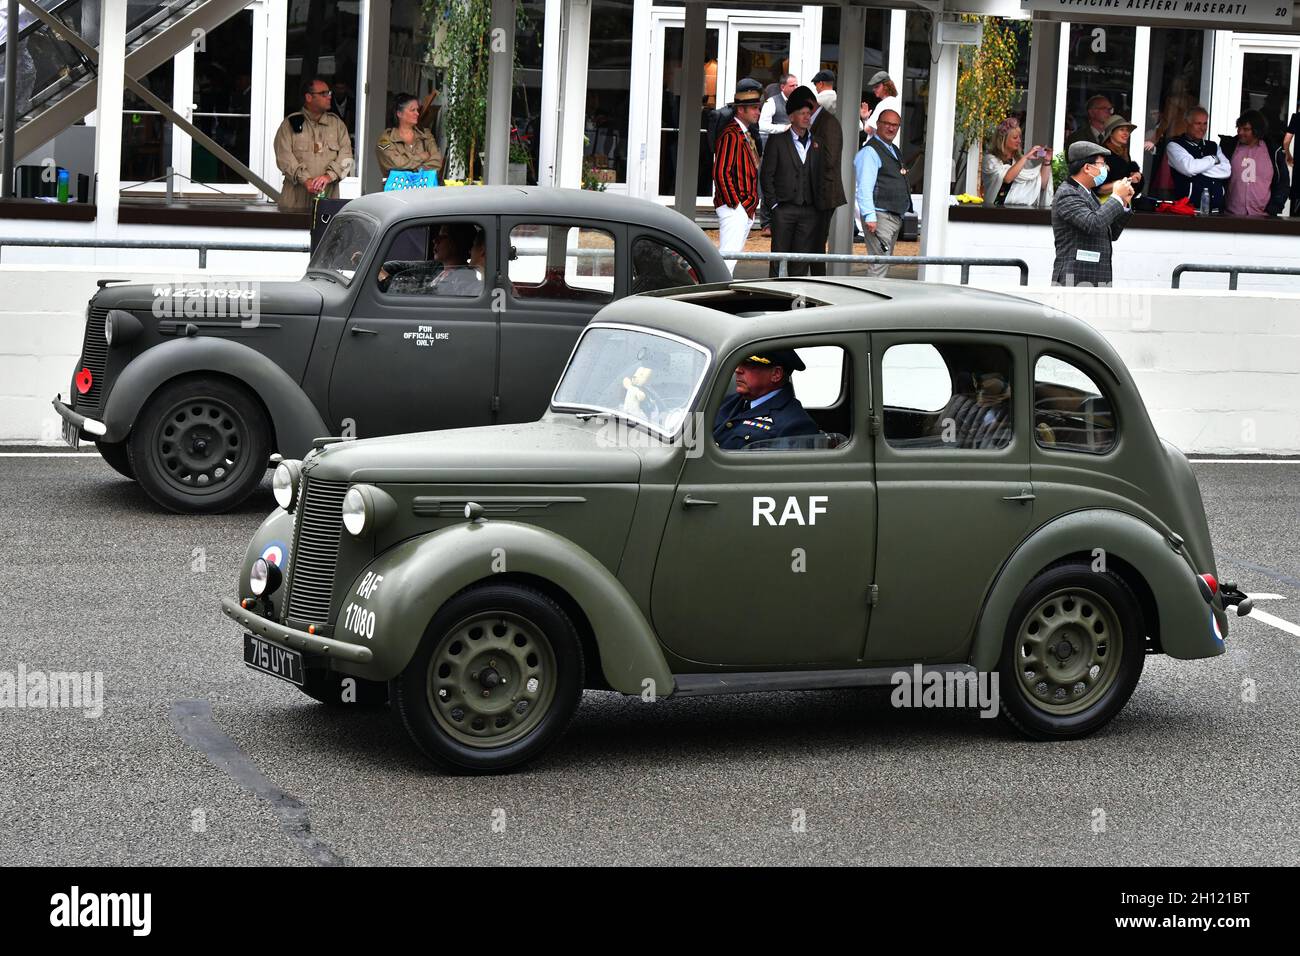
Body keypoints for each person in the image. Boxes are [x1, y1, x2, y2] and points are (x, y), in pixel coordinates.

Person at [1051, 142, 1135, 287]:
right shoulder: (1068, 193)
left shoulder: (1087, 192)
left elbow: (1110, 232)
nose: (1106, 169)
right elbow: (1093, 224)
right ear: (1087, 168)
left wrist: (1123, 202)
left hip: (1096, 277)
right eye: (1101, 164)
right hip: (1075, 277)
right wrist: (1115, 197)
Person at [760, 86, 823, 278]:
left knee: (801, 260)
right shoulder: (777, 141)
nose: (806, 117)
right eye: (802, 113)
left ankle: (797, 299)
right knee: (778, 259)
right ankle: (773, 298)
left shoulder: (818, 142)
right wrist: (774, 205)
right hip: (784, 209)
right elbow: (766, 175)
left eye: (808, 113)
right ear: (791, 117)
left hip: (809, 210)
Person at [273, 77, 354, 213]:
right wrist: (305, 180)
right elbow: (284, 157)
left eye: (329, 93)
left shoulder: (337, 125)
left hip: (327, 198)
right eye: (323, 94)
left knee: (325, 234)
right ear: (309, 97)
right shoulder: (289, 124)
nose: (329, 97)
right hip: (295, 199)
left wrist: (328, 177)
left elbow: (347, 157)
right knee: (291, 233)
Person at [713, 349, 818, 450]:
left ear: (776, 374)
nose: (738, 370)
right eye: (739, 363)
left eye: (749, 364)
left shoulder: (795, 425)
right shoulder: (725, 401)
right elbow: (698, 440)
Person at [712, 85, 764, 274]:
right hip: (735, 206)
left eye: (758, 108)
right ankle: (714, 293)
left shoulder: (743, 133)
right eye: (754, 108)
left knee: (730, 258)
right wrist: (735, 203)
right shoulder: (731, 134)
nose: (758, 112)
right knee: (727, 259)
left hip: (743, 206)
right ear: (741, 110)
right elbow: (721, 172)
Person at [854, 109, 907, 276]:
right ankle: (872, 300)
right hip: (879, 216)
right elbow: (864, 187)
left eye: (895, 125)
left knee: (883, 263)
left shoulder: (893, 149)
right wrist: (870, 216)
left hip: (891, 216)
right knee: (879, 265)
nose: (891, 128)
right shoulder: (870, 151)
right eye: (887, 124)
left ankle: (875, 298)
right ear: (878, 124)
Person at [809, 89, 847, 276]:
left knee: (816, 242)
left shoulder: (828, 122)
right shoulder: (818, 120)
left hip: (825, 192)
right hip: (818, 191)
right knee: (814, 242)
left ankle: (818, 282)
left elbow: (830, 160)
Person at [1166, 107, 1230, 212]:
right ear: (1187, 123)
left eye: (1205, 123)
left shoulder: (1213, 146)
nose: (1202, 128)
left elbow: (1227, 171)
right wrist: (1212, 159)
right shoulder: (1174, 145)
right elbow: (1189, 168)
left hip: (1216, 211)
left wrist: (1198, 167)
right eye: (1198, 123)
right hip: (1187, 211)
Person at [375, 92, 445, 185]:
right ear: (399, 114)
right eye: (413, 110)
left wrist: (411, 173)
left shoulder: (426, 135)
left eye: (417, 110)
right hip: (396, 192)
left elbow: (436, 162)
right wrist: (421, 157)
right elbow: (395, 164)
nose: (417, 113)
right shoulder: (386, 139)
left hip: (424, 192)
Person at [982, 117, 1053, 207]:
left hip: (1019, 211)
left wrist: (1047, 160)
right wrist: (1026, 157)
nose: (1019, 141)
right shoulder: (990, 160)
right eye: (1015, 138)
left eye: (1020, 137)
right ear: (1003, 139)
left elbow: (1041, 184)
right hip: (994, 211)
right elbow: (1007, 178)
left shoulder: (1022, 161)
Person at [1223, 111, 1275, 217]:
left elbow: (1282, 182)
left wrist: (1273, 208)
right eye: (1239, 128)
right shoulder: (1229, 148)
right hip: (1231, 215)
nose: (1240, 132)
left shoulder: (1272, 150)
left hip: (1263, 217)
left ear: (1257, 130)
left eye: (1246, 129)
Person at [1096, 115, 1143, 200]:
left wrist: (1136, 175)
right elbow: (1099, 189)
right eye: (1121, 130)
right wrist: (1128, 180)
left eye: (1127, 130)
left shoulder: (1124, 152)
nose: (1126, 133)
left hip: (1123, 203)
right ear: (1111, 133)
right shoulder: (1102, 154)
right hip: (1105, 204)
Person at [862, 71, 901, 141]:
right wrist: (866, 118)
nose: (874, 89)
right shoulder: (895, 103)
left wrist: (865, 119)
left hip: (875, 147)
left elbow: (869, 129)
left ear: (886, 86)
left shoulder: (884, 104)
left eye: (877, 86)